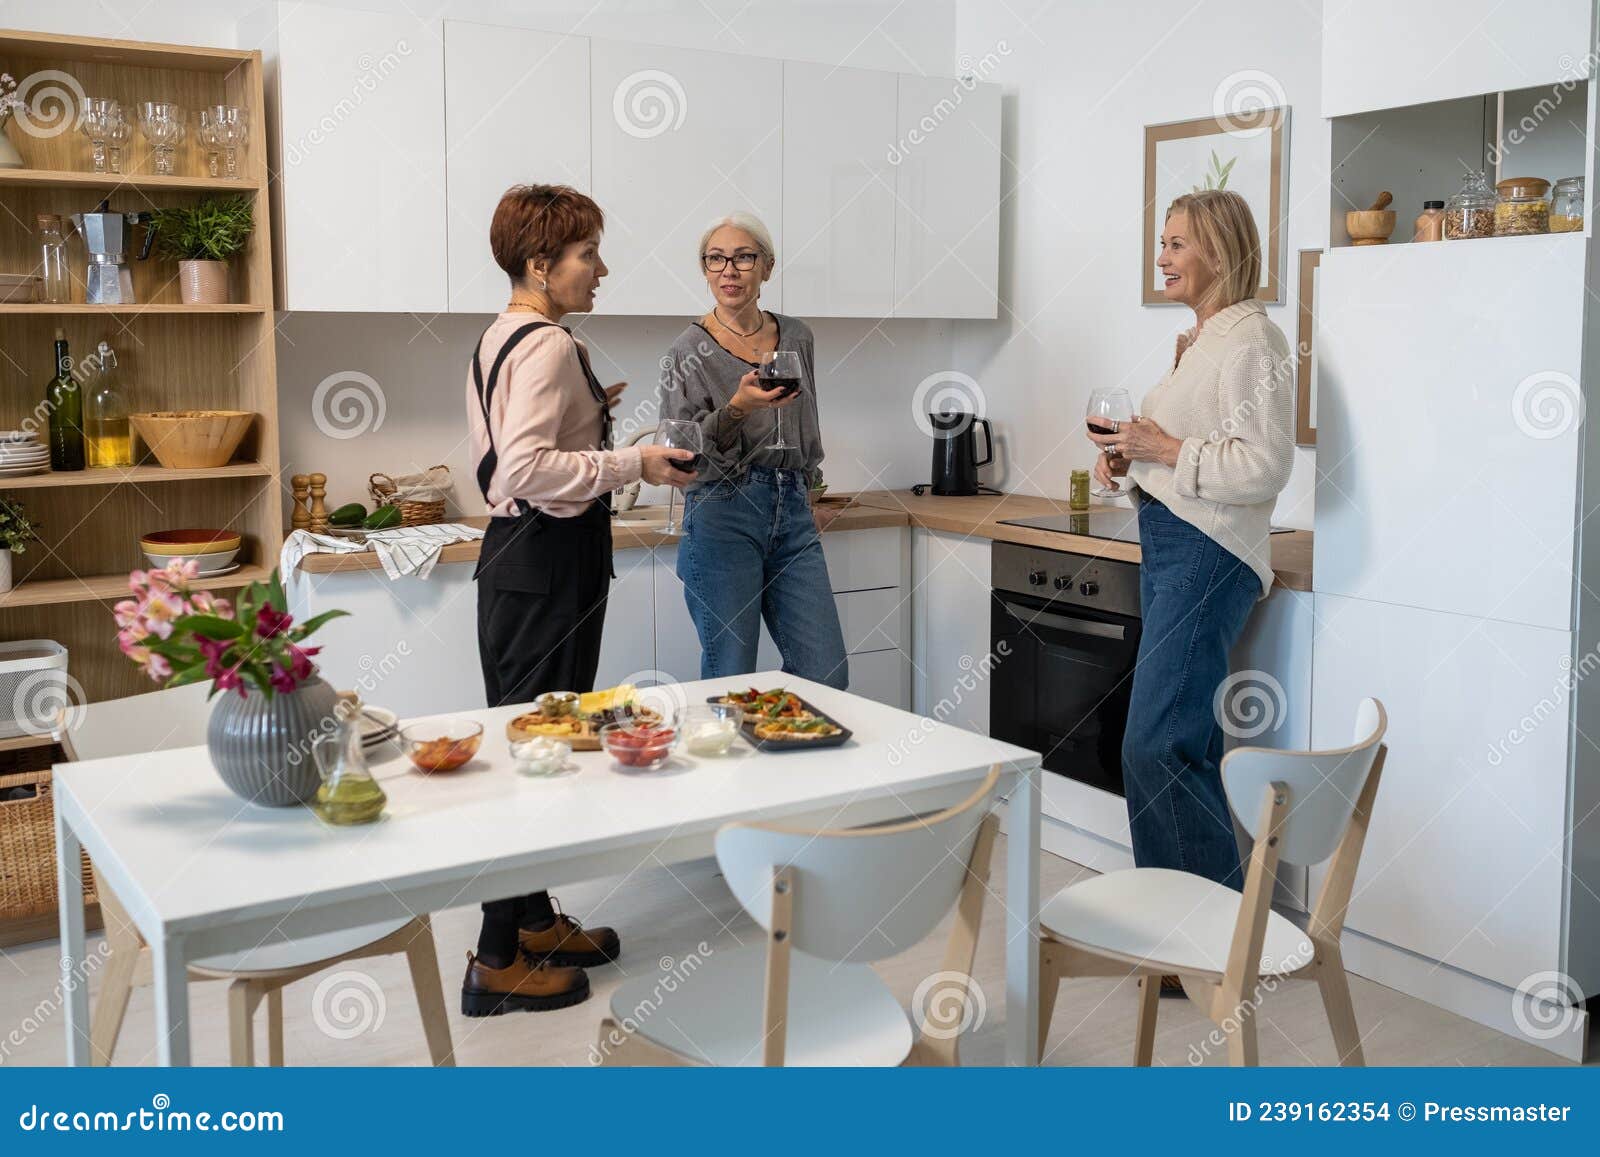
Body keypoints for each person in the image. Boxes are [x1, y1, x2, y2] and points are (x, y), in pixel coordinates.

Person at [461, 184, 696, 1017]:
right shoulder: (550, 345)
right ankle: (494, 959)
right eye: (587, 253)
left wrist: (595, 430)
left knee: (534, 748)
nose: (600, 268)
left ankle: (528, 921)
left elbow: (517, 457)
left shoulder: (501, 334)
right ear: (540, 264)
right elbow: (523, 470)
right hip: (546, 563)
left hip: (523, 562)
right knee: (536, 760)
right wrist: (631, 462)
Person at [1088, 188, 1294, 906]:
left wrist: (1163, 446)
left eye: (1177, 243)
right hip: (1174, 546)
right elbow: (1178, 456)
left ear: (1218, 250)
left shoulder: (1253, 340)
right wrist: (1129, 461)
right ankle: (1195, 929)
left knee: (1155, 744)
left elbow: (1266, 464)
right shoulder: (1206, 341)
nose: (1162, 256)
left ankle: (1202, 933)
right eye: (1163, 242)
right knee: (1185, 744)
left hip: (1208, 555)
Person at [657, 212, 848, 688]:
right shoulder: (686, 350)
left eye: (744, 257)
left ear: (768, 267)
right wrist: (738, 407)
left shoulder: (797, 336)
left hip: (792, 511)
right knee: (731, 679)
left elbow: (807, 422)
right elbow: (685, 452)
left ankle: (789, 756)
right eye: (716, 259)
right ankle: (732, 763)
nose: (729, 270)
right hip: (723, 510)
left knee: (826, 673)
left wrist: (806, 486)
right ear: (704, 270)